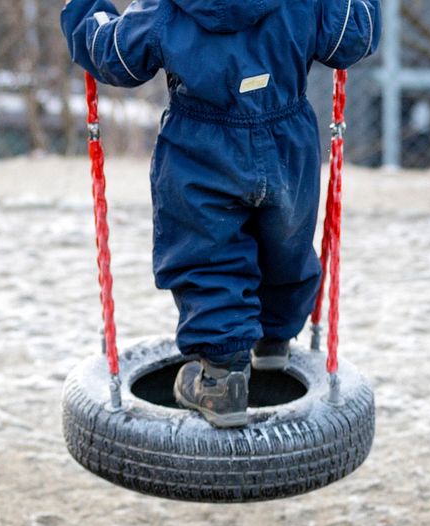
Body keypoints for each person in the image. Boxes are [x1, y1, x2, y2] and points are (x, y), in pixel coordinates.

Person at [62, 0, 379, 428]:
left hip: (200, 150)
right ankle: (275, 336)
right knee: (285, 241)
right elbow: (353, 35)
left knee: (208, 254)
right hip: (287, 143)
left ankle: (221, 377)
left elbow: (115, 56)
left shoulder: (164, 10)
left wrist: (83, 9)